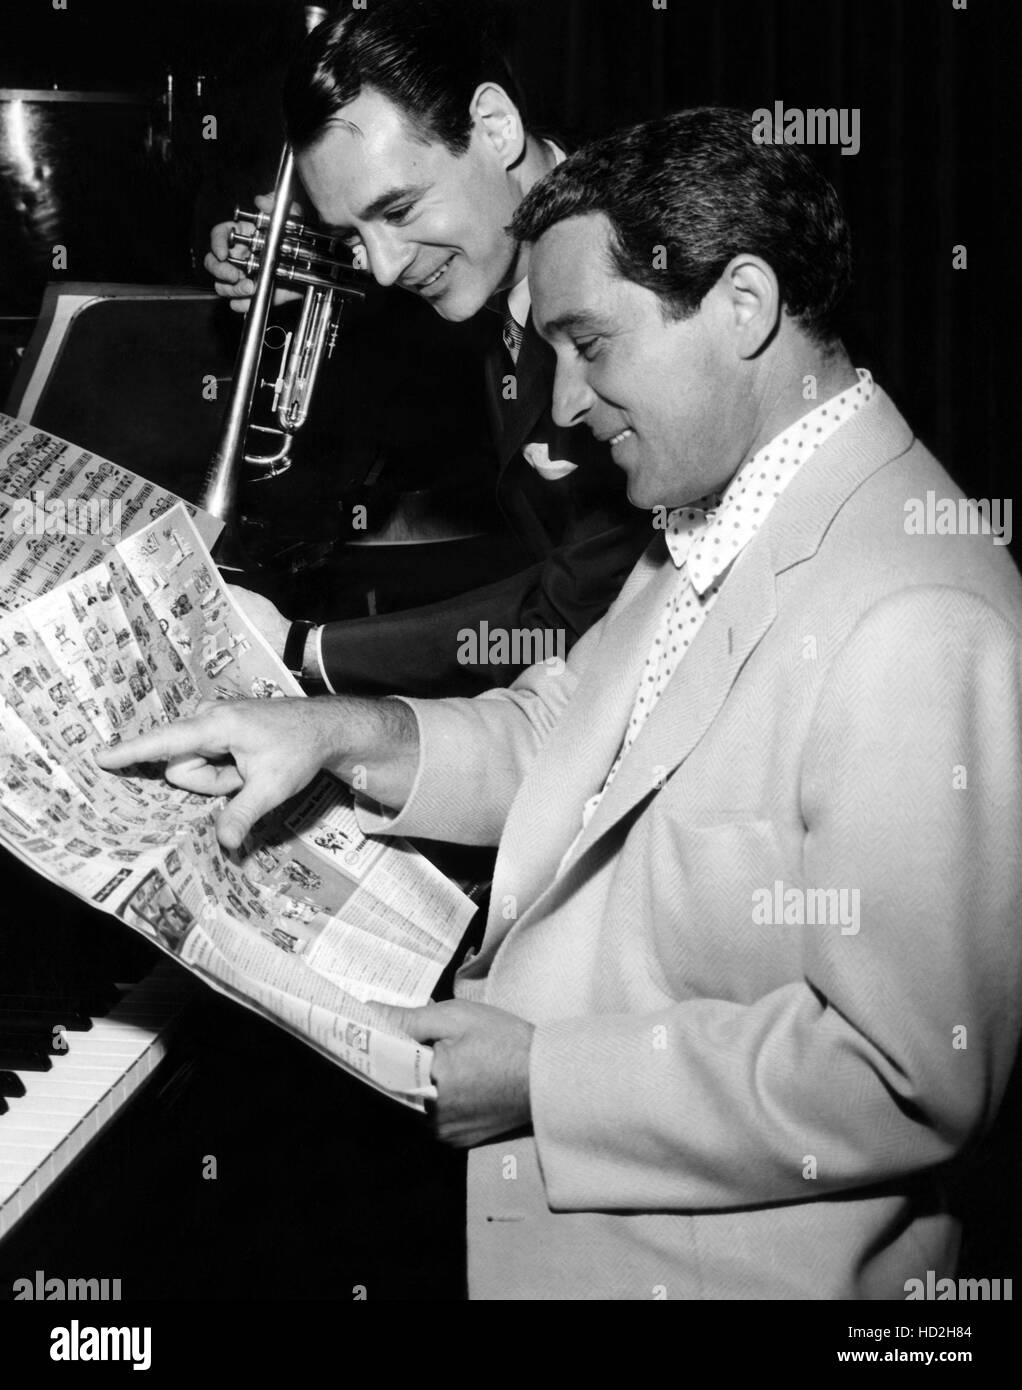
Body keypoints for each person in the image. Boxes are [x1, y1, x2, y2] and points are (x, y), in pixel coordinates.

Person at [103, 107, 1022, 1300]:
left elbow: (908, 1073)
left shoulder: (915, 615)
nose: (569, 404)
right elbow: (560, 732)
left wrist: (546, 1078)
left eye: (591, 344)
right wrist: (341, 732)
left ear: (742, 307)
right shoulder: (720, 506)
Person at [206, 0, 649, 697]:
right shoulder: (514, 228)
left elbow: (569, 613)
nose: (381, 267)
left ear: (496, 128)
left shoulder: (636, 284)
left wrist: (303, 649)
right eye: (353, 236)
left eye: (399, 211)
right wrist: (319, 262)